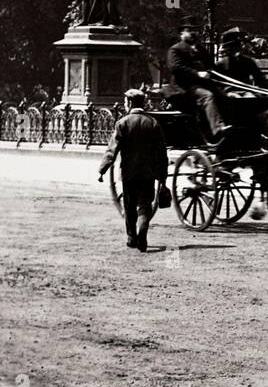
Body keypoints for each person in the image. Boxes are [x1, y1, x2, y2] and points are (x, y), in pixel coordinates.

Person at [98, 89, 168, 251]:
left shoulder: (122, 123)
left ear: (129, 103)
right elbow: (162, 153)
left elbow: (112, 151)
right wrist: (162, 176)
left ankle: (132, 237)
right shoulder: (153, 123)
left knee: (129, 206)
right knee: (145, 205)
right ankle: (143, 231)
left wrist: (102, 169)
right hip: (148, 174)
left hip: (129, 174)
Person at [166, 20, 229, 138]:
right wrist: (197, 73)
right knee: (208, 96)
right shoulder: (175, 49)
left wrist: (215, 74)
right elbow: (176, 68)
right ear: (181, 34)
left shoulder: (201, 49)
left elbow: (211, 66)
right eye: (189, 30)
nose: (193, 33)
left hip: (202, 84)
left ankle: (231, 126)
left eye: (195, 30)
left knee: (224, 96)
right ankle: (217, 129)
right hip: (184, 87)